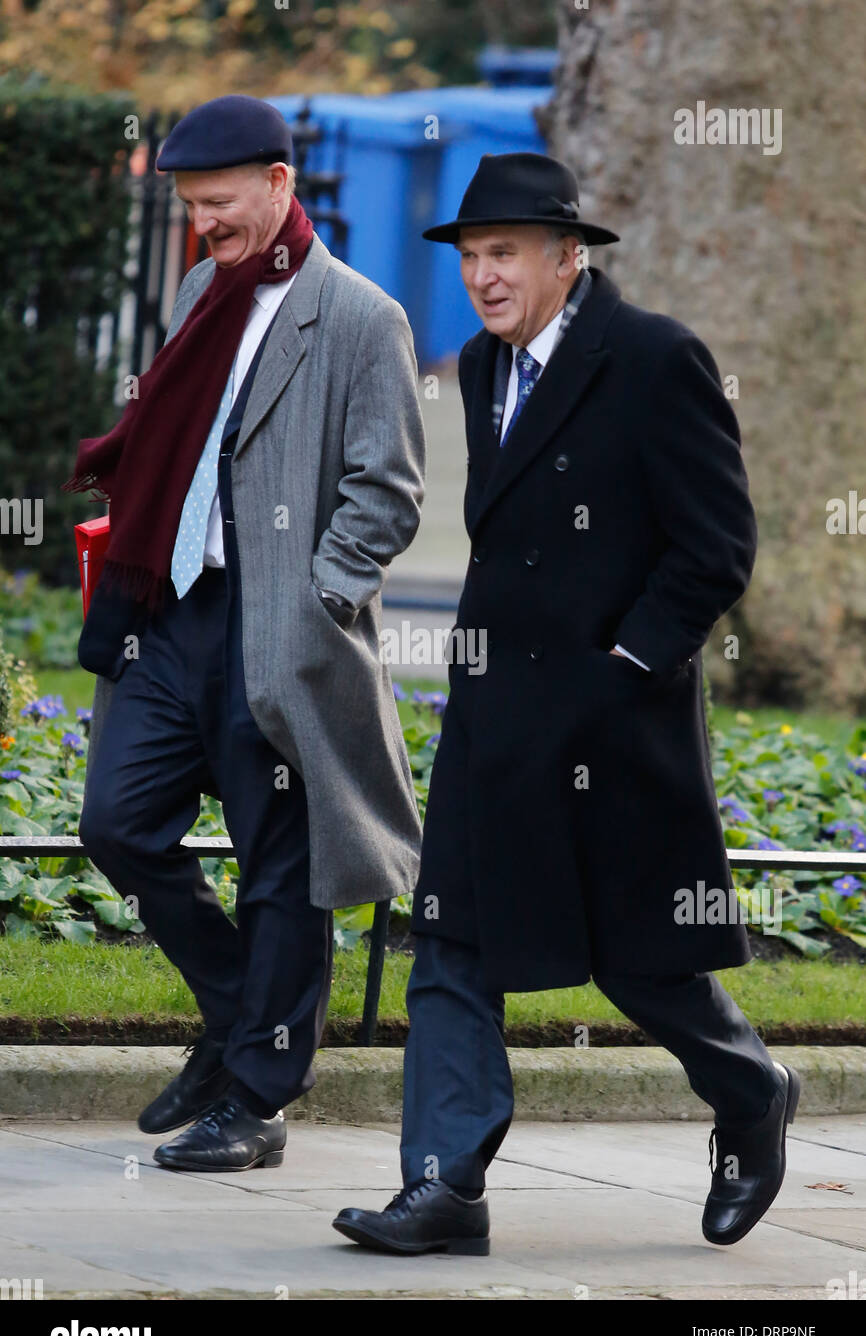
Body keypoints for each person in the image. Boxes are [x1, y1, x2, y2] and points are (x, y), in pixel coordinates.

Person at [333, 151, 799, 1255]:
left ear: (566, 256)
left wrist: (625, 666)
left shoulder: (654, 359)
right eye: (469, 258)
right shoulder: (484, 370)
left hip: (614, 721)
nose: (482, 277)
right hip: (495, 717)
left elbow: (714, 545)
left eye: (503, 255)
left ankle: (750, 1093)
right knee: (448, 942)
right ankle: (444, 1186)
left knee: (641, 961)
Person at [66, 95, 425, 1173]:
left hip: (282, 620)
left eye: (218, 207)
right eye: (190, 208)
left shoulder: (363, 317)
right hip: (172, 612)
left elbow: (389, 490)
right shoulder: (197, 288)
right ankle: (233, 1016)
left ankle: (261, 1096)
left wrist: (317, 600)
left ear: (278, 185)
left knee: (280, 866)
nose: (204, 227)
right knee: (116, 822)